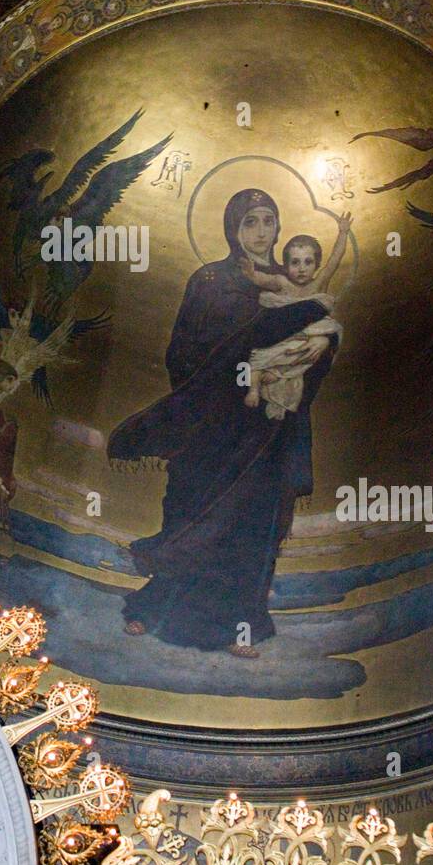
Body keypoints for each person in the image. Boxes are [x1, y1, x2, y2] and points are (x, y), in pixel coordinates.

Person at [108, 189, 339, 657]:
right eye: (249, 221)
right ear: (232, 228)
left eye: (268, 221)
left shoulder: (290, 282)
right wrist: (224, 377)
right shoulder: (211, 280)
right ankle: (151, 612)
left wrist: (320, 348)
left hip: (268, 432)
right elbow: (185, 351)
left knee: (252, 530)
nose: (260, 231)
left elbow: (311, 348)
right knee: (194, 514)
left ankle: (239, 628)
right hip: (211, 425)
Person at [243, 212, 351, 417]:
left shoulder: (318, 283)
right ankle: (254, 390)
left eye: (308, 262)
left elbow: (335, 260)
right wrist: (251, 275)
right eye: (295, 262)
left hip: (304, 341)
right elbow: (263, 280)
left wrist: (343, 233)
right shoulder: (281, 282)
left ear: (316, 265)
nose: (301, 269)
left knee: (304, 354)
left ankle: (278, 374)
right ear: (286, 265)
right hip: (281, 341)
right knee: (258, 358)